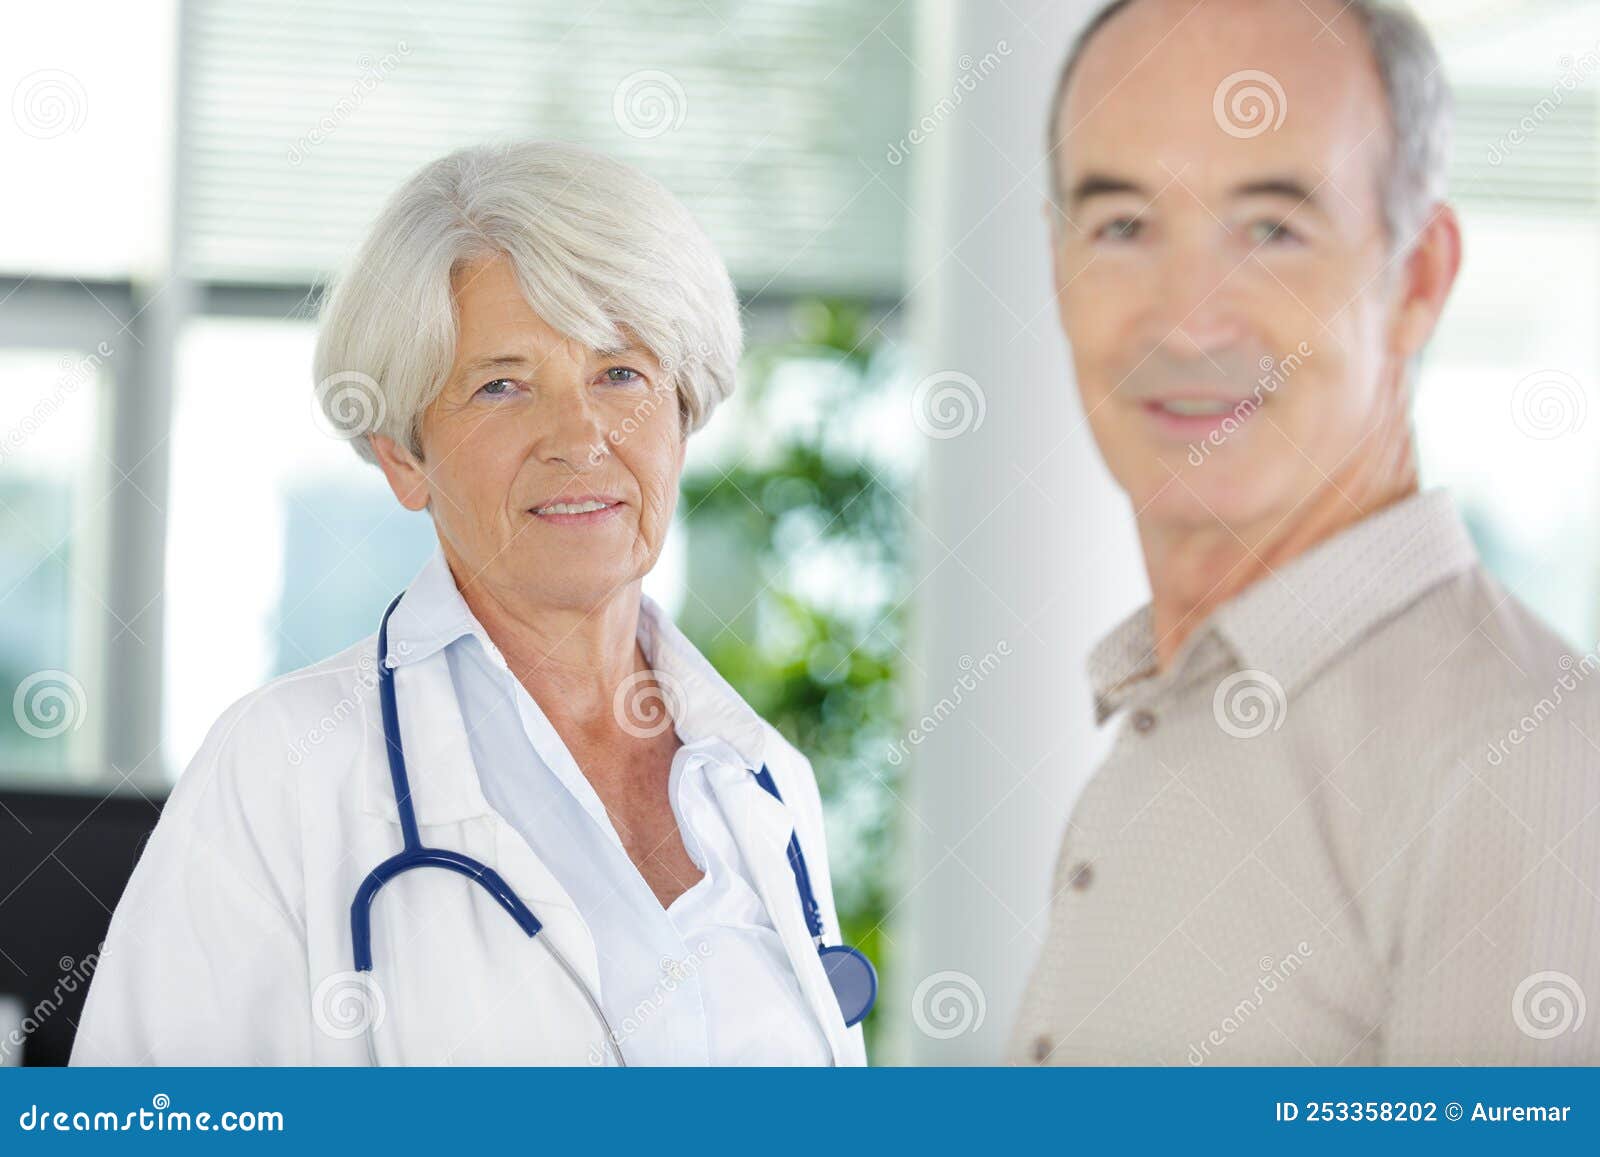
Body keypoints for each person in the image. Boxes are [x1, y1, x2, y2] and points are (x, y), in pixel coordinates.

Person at [72, 141, 868, 1066]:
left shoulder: (761, 781)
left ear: (682, 415)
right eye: (502, 385)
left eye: (620, 373)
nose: (580, 438)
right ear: (404, 457)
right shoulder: (279, 769)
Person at [1012, 0, 1600, 1064]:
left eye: (1272, 230)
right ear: (1058, 269)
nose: (1186, 322)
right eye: (1123, 226)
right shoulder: (1173, 715)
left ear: (1417, 278)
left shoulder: (1530, 762)